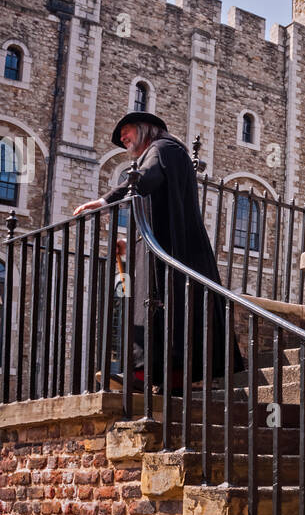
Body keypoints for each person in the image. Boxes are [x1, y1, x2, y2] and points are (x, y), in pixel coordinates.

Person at [73, 114, 245, 387]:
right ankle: (166, 379)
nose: (122, 139)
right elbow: (162, 212)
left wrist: (104, 201)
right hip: (169, 247)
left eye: (125, 132)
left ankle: (144, 376)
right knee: (167, 313)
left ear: (144, 129)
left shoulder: (163, 149)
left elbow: (145, 180)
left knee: (163, 311)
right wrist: (130, 246)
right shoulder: (166, 153)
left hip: (175, 250)